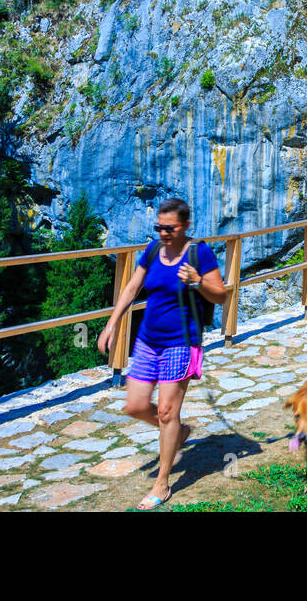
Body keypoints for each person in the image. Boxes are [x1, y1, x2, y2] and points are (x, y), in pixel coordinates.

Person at [97, 198, 225, 510]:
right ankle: (179, 433)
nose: (164, 233)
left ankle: (162, 483)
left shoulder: (199, 253)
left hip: (181, 342)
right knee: (135, 406)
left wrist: (197, 281)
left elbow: (221, 296)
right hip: (147, 341)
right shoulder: (153, 249)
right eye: (160, 227)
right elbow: (132, 288)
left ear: (185, 226)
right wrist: (112, 324)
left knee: (167, 412)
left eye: (171, 228)